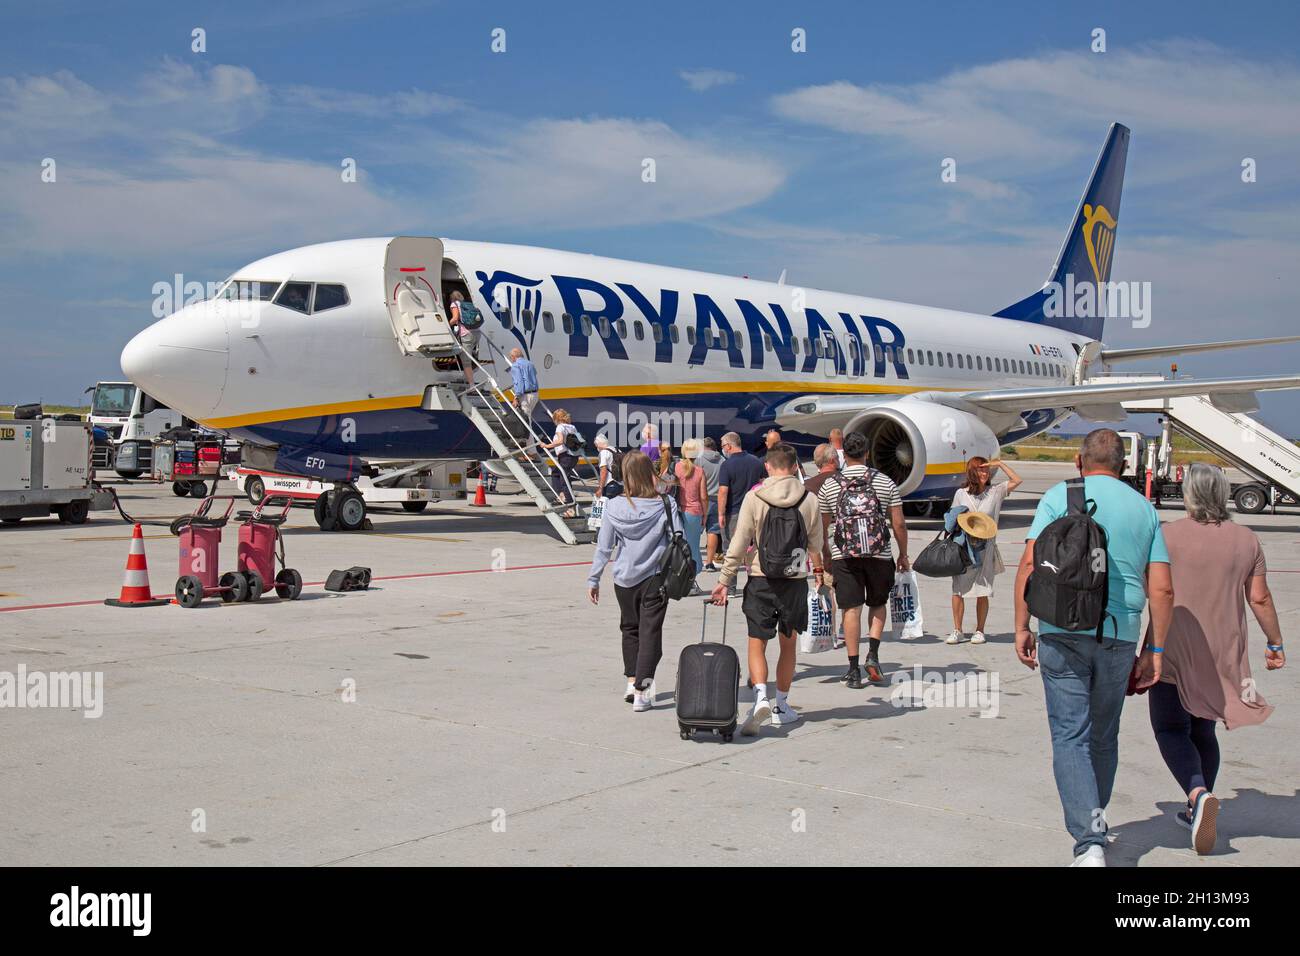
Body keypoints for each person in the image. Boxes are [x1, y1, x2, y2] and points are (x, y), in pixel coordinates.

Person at [1013, 428, 1174, 867]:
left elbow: (1029, 564)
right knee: (1103, 737)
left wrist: (1021, 625)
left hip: (1061, 629)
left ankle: (1089, 844)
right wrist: (1153, 652)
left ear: (1079, 463)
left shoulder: (1058, 496)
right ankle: (1095, 825)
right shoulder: (1144, 508)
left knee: (1070, 736)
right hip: (1118, 636)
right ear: (1124, 467)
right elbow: (1162, 591)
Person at [1151, 463, 1286, 855]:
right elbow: (1258, 598)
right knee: (1203, 731)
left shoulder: (1167, 535)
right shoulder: (1246, 539)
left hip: (1174, 646)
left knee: (1169, 729)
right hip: (1222, 652)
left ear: (1190, 494)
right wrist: (1275, 642)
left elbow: (1152, 589)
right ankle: (1198, 806)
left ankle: (1196, 794)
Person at [712, 443, 825, 734]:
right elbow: (816, 544)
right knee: (788, 644)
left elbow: (739, 543)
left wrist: (724, 580)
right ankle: (782, 705)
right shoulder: (809, 499)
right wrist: (821, 571)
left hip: (761, 578)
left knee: (756, 641)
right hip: (795, 580)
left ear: (768, 467)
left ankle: (761, 695)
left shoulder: (755, 496)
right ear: (794, 466)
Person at [587, 452, 678, 712]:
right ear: (650, 471)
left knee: (630, 629)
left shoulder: (614, 505)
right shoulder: (665, 503)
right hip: (654, 577)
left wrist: (594, 579)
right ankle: (642, 690)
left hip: (623, 579)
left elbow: (604, 547)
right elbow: (677, 536)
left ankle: (631, 681)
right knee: (650, 635)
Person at [817, 431, 908, 688]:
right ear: (867, 453)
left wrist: (826, 555)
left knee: (851, 609)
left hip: (845, 555)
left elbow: (823, 527)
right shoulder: (885, 482)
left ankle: (853, 669)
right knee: (878, 603)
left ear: (843, 454)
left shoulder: (831, 485)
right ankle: (874, 656)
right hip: (879, 554)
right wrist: (903, 553)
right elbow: (898, 524)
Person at [946, 456, 1022, 645]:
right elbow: (952, 519)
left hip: (986, 548)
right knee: (958, 590)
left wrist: (1000, 465)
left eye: (986, 470)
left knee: (983, 590)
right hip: (964, 548)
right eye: (980, 470)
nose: (985, 473)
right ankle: (957, 630)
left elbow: (1017, 480)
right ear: (972, 472)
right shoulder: (961, 494)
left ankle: (980, 630)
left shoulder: (995, 492)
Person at [716, 432, 766, 586]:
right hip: (755, 510)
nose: (723, 449)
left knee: (731, 549)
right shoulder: (756, 462)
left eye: (723, 446)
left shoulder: (726, 465)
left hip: (734, 511)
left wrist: (720, 513)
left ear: (729, 446)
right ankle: (758, 580)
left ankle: (730, 585)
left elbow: (723, 491)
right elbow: (764, 483)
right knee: (757, 547)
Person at [804, 443, 841, 641]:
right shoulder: (845, 481)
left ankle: (832, 632)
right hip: (849, 542)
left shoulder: (809, 486)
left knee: (827, 589)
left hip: (820, 542)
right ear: (833, 460)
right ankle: (846, 626)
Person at [675, 439, 709, 597]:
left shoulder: (677, 467)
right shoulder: (699, 471)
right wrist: (705, 514)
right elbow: (704, 497)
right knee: (694, 548)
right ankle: (691, 582)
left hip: (679, 510)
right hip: (694, 512)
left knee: (682, 546)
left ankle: (683, 579)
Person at [538, 408, 579, 518]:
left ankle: (570, 507)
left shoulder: (560, 427)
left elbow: (560, 441)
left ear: (556, 419)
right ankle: (562, 495)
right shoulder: (572, 427)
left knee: (564, 481)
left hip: (565, 456)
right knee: (557, 474)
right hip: (574, 456)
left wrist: (546, 446)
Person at [697, 436, 725, 571]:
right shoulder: (723, 460)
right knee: (713, 531)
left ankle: (695, 561)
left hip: (701, 499)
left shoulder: (699, 460)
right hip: (717, 499)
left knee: (695, 532)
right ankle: (709, 563)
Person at [447, 290, 478, 386]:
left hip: (466, 334)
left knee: (466, 361)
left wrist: (447, 325)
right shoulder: (468, 304)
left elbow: (455, 318)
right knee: (468, 356)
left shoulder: (454, 304)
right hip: (477, 333)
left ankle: (471, 385)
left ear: (452, 298)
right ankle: (467, 377)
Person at [508, 347, 540, 420]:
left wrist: (516, 397)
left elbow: (519, 382)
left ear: (513, 356)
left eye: (511, 357)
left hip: (525, 396)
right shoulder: (530, 364)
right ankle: (529, 430)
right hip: (535, 394)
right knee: (528, 417)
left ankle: (528, 431)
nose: (511, 360)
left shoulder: (516, 366)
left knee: (525, 419)